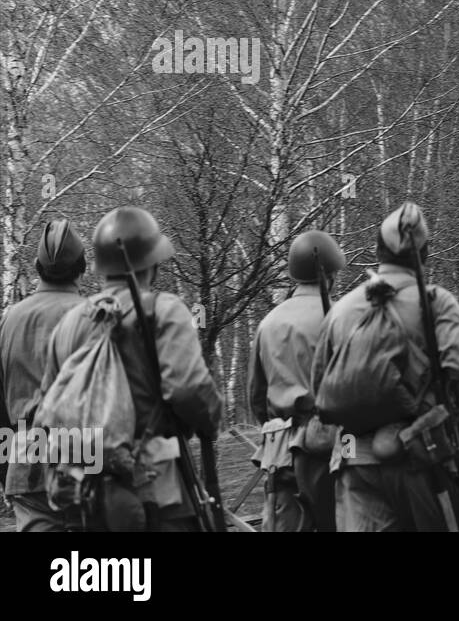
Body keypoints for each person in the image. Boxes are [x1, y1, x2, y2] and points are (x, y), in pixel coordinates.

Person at [46, 206, 222, 531]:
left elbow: (51, 406)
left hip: (89, 497)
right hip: (160, 488)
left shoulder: (67, 325)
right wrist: (210, 419)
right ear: (151, 263)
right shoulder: (164, 310)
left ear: (100, 268)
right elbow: (188, 389)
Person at [311, 202, 459, 531]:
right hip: (421, 456)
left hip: (354, 461)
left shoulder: (342, 309)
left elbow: (319, 386)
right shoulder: (435, 301)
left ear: (378, 250)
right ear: (425, 253)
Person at [248, 230, 344, 531]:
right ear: (330, 274)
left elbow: (256, 395)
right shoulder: (343, 316)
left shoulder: (268, 323)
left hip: (281, 448)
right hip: (331, 443)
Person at [0, 219, 89, 531]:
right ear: (83, 268)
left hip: (26, 464)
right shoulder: (95, 316)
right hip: (86, 462)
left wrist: (8, 474)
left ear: (37, 267)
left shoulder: (8, 322)